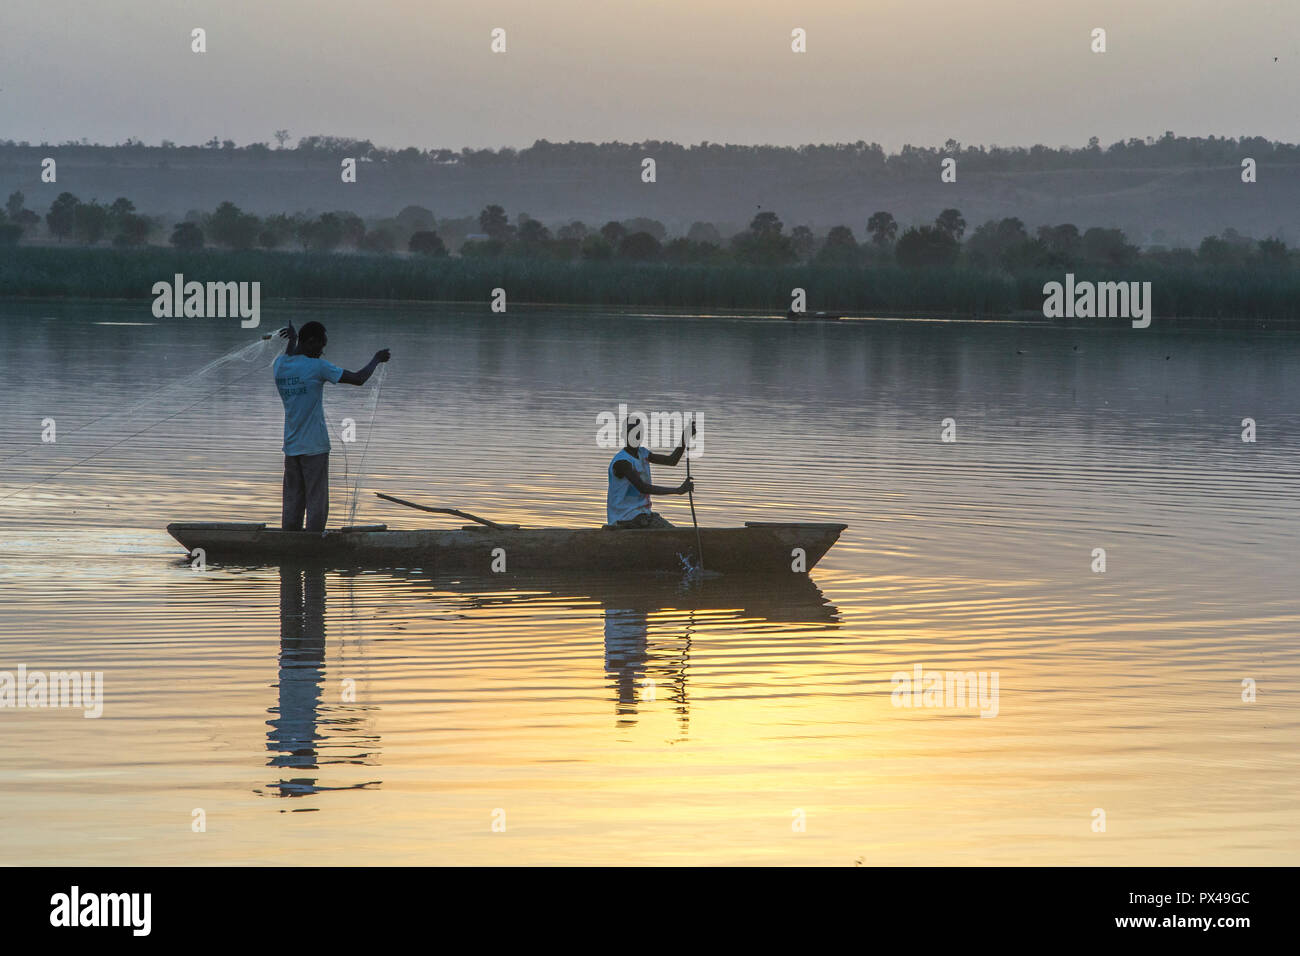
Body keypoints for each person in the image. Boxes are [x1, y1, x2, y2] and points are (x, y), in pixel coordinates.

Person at [274, 321, 390, 532]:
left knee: (293, 501)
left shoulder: (279, 365)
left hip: (291, 448)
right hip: (315, 448)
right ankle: (314, 546)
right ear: (310, 342)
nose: (322, 352)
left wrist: (292, 341)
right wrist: (376, 359)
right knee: (316, 501)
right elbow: (358, 378)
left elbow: (291, 356)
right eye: (320, 346)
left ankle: (289, 544)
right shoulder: (317, 367)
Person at [606, 414, 694, 528]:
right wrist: (677, 490)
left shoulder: (643, 454)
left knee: (673, 533)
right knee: (670, 535)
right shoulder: (622, 462)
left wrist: (684, 439)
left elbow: (672, 461)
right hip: (625, 517)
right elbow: (643, 487)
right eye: (631, 432)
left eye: (638, 432)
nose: (635, 435)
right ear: (624, 435)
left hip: (643, 515)